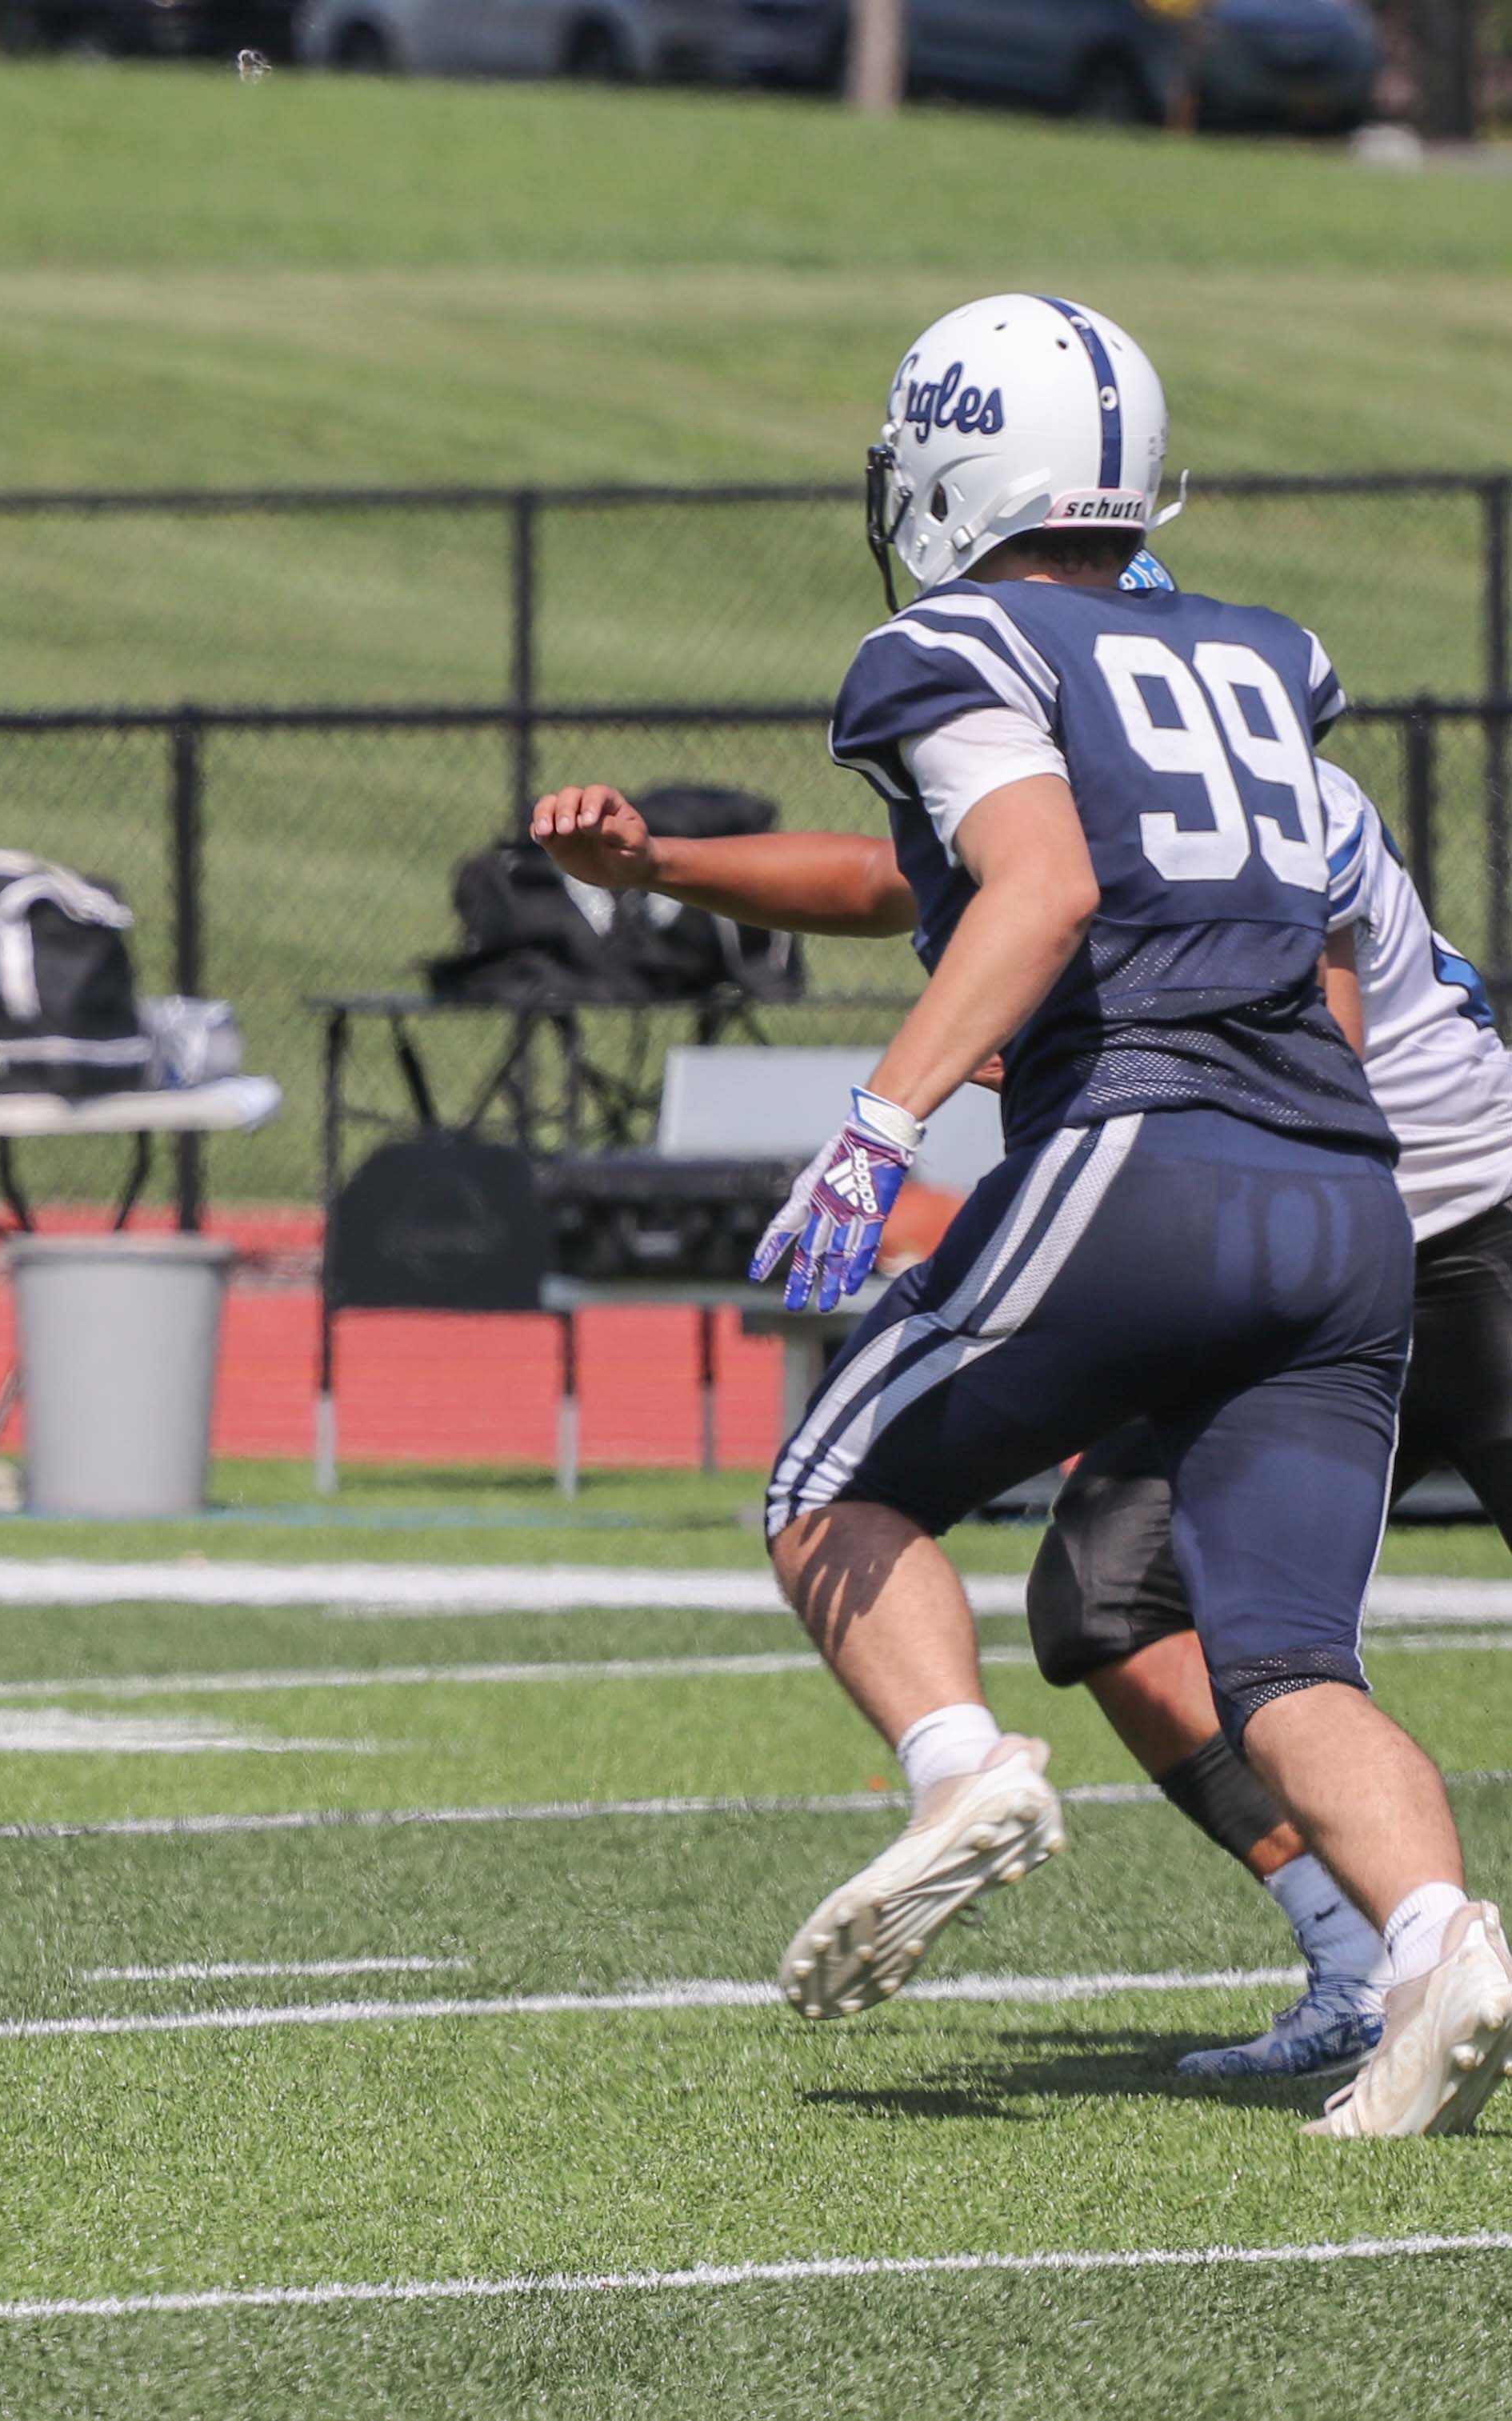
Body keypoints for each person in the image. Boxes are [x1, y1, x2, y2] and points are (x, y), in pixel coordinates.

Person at [531, 294, 1510, 2137]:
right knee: (1285, 1648)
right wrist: (664, 862)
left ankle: (959, 1764)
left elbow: (1037, 883)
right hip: (1352, 1198)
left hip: (1166, 1153)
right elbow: (966, 880)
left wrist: (876, 1119)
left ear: (950, 466)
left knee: (830, 1477)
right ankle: (1436, 1941)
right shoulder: (1243, 658)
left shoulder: (954, 646)